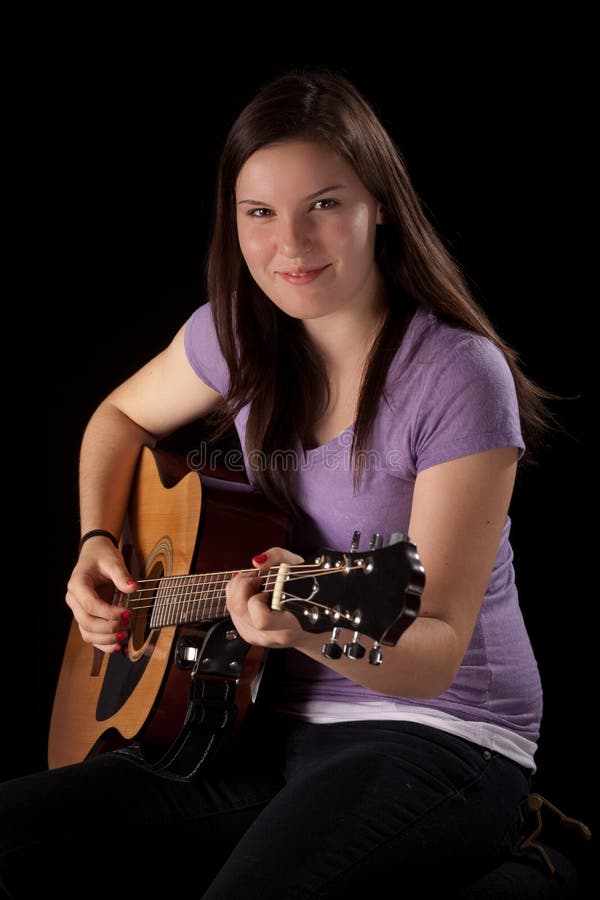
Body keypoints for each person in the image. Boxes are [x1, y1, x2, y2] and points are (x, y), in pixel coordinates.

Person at [0, 67, 557, 898]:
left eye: (324, 206)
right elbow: (116, 419)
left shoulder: (454, 376)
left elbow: (436, 648)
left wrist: (300, 628)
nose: (289, 244)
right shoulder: (238, 336)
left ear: (380, 209)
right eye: (259, 213)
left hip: (441, 734)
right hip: (256, 722)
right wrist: (94, 545)